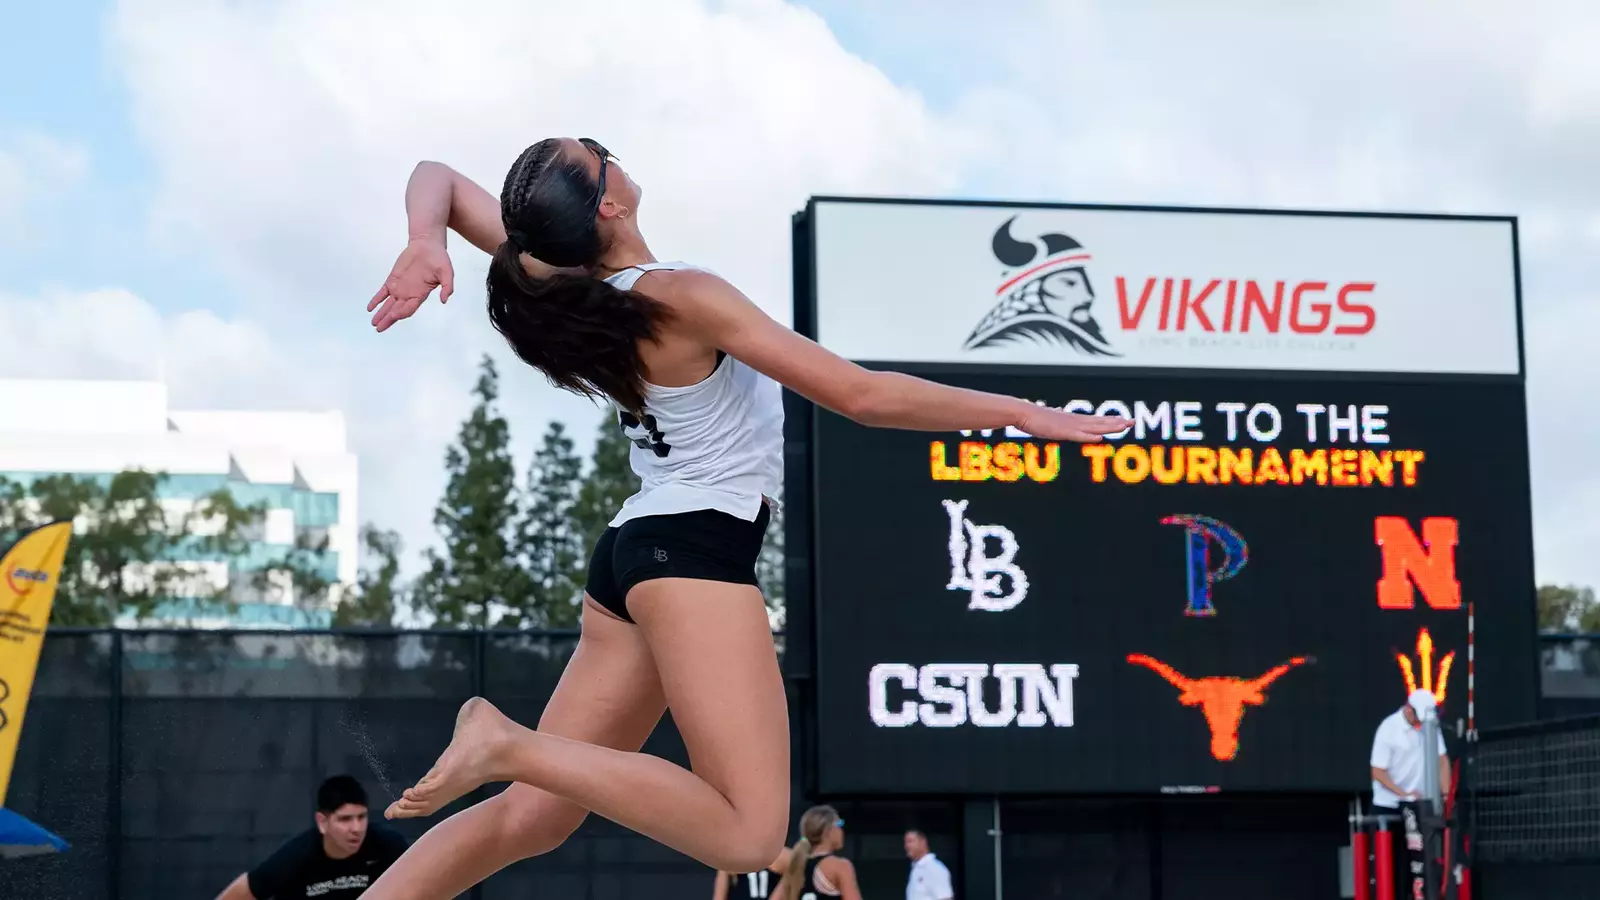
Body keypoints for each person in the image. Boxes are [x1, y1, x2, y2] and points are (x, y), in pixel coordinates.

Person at [359, 137, 1131, 899]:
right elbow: (861, 396)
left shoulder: (564, 279)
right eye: (601, 151)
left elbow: (437, 177)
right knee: (751, 835)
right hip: (692, 550)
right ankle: (507, 744)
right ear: (611, 200)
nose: (615, 152)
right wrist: (1021, 412)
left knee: (527, 821)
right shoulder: (680, 296)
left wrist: (426, 241)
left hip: (636, 552)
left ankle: (513, 758)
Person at [213, 775, 408, 899]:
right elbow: (241, 892)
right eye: (345, 819)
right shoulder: (296, 856)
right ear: (322, 822)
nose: (356, 828)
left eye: (361, 817)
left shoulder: (388, 846)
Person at [1370, 689, 1451, 900]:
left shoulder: (1429, 727)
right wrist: (1403, 793)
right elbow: (1378, 771)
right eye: (1417, 717)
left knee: (1422, 869)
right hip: (1389, 808)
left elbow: (1442, 761)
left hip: (1419, 809)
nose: (1420, 722)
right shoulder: (1388, 729)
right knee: (1394, 871)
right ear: (1408, 708)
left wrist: (1445, 794)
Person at [770, 805, 860, 900]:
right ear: (828, 830)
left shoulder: (794, 868)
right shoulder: (840, 866)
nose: (842, 830)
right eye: (839, 824)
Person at [903, 828, 954, 900]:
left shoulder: (935, 868)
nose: (906, 846)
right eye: (905, 842)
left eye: (910, 841)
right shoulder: (915, 870)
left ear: (923, 842)